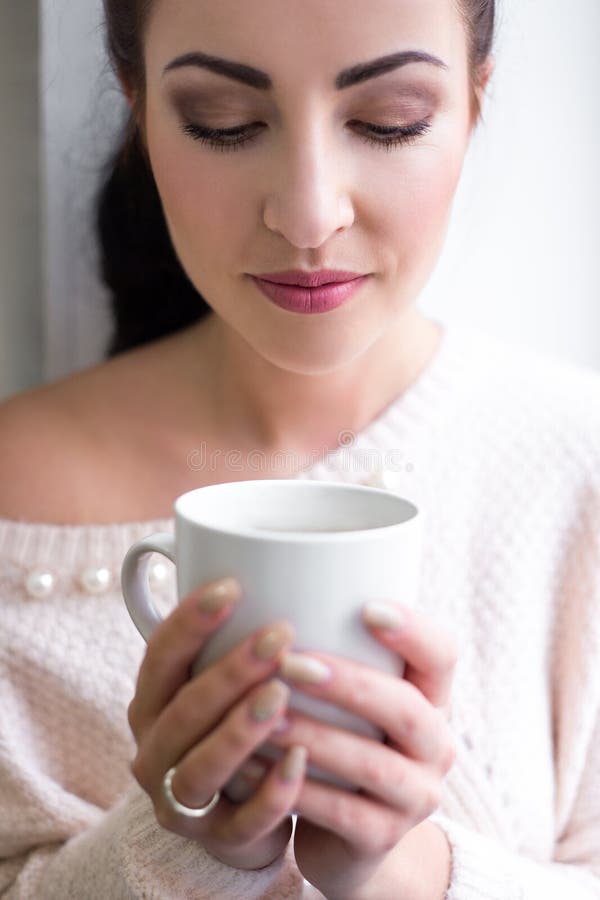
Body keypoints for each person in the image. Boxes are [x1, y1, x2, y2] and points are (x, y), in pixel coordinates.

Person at [0, 0, 599, 897]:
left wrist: (405, 869)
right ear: (139, 107)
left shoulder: (574, 463)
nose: (310, 216)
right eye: (223, 123)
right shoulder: (14, 492)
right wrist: (186, 850)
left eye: (389, 121)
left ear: (476, 99)